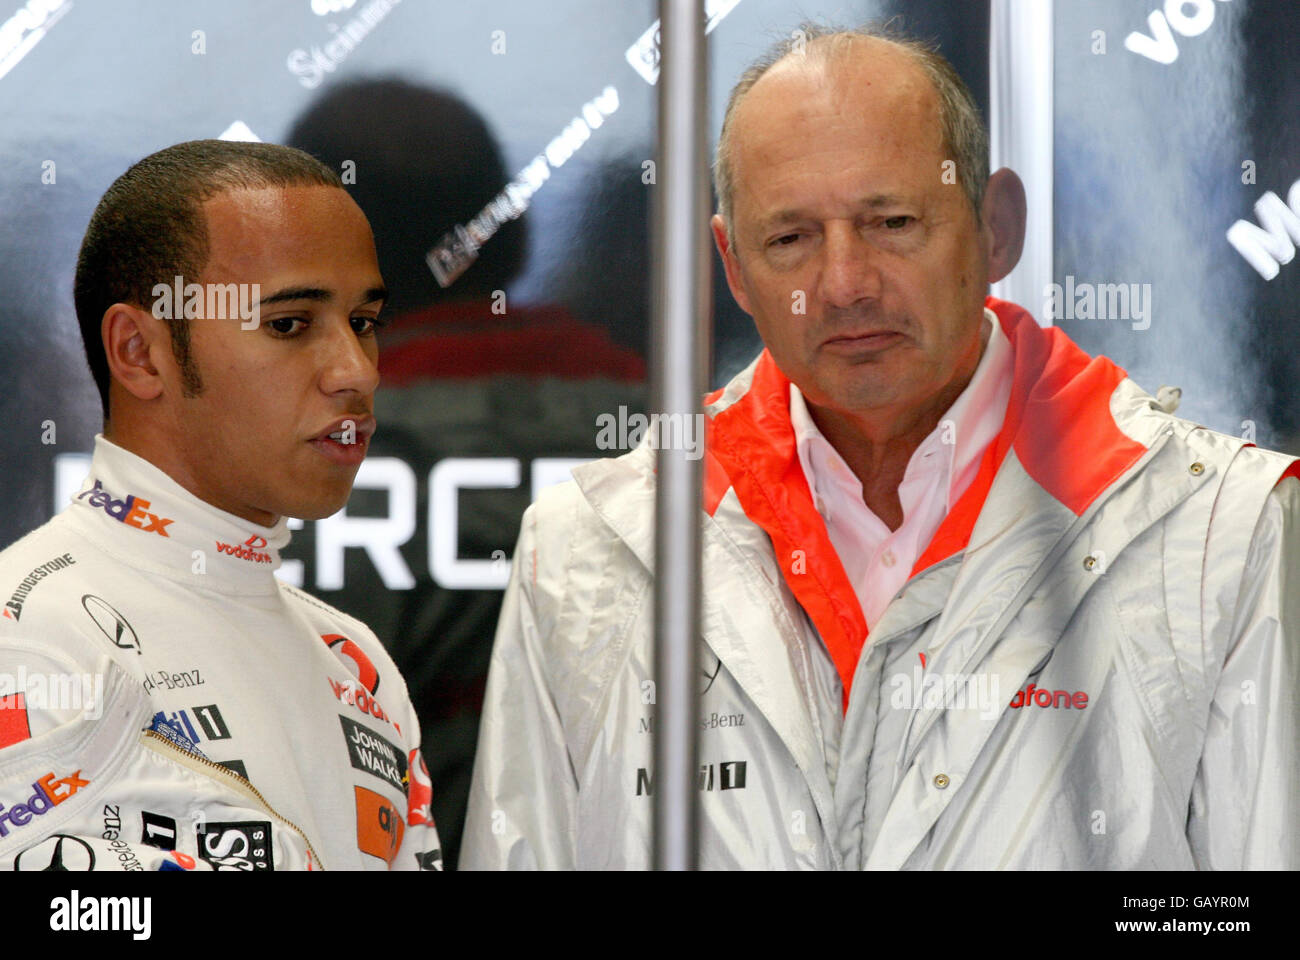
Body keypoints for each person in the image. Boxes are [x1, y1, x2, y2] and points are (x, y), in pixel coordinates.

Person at [461, 26, 1300, 869]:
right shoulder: (588, 551)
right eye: (789, 239)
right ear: (734, 266)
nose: (844, 284)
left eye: (892, 222)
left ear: (995, 226)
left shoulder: (1223, 532)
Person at [0, 140, 441, 870]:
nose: (356, 373)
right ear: (139, 352)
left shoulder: (356, 667)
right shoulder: (25, 643)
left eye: (365, 321)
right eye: (291, 324)